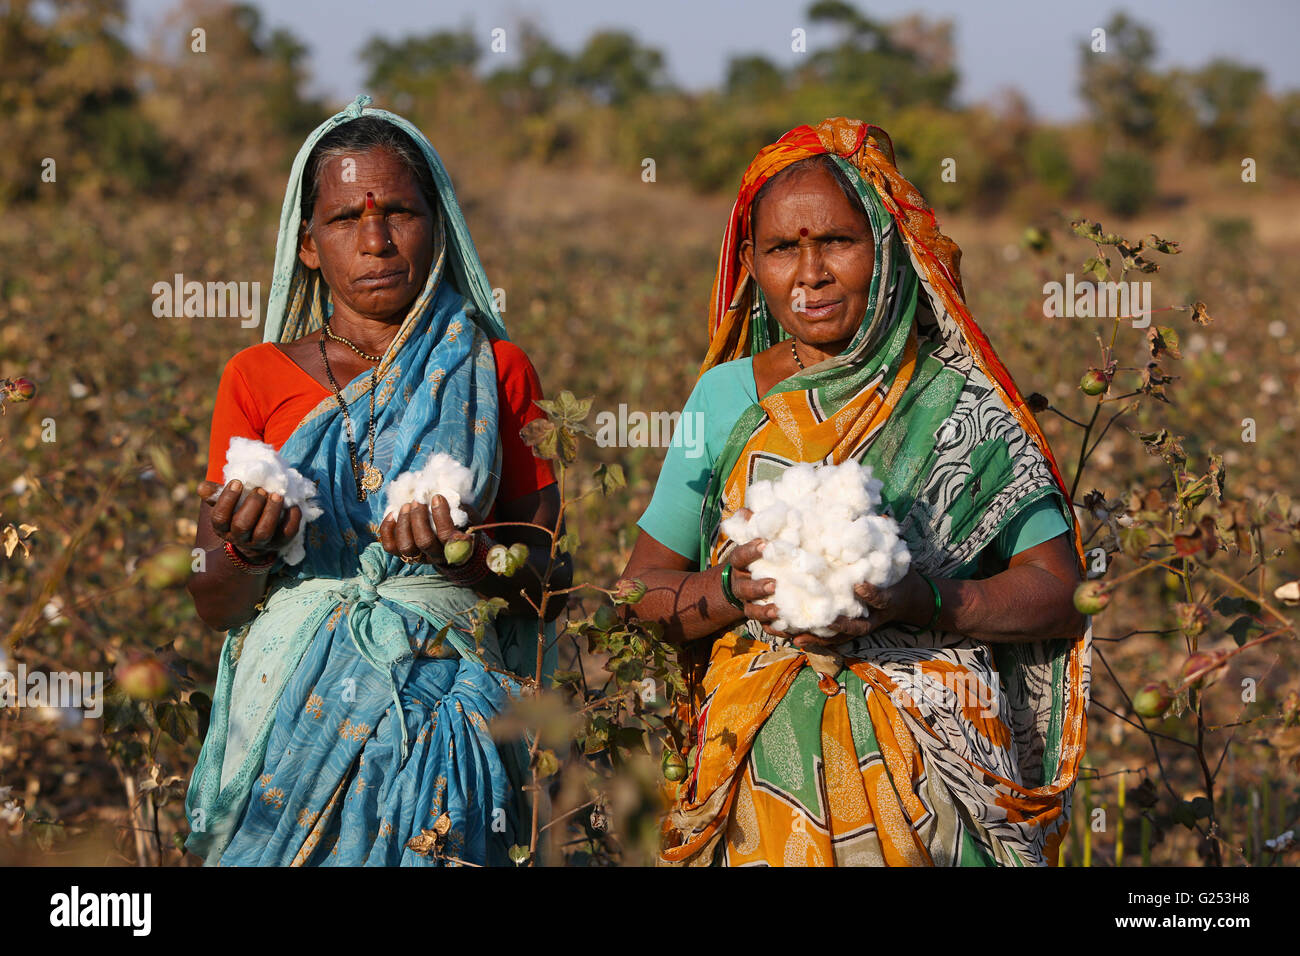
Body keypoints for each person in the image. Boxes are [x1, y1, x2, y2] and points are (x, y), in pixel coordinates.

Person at [621, 118, 1092, 866]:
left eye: (837, 241)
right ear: (752, 264)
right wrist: (736, 591)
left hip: (934, 779)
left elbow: (1061, 593)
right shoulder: (723, 401)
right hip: (759, 783)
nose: (810, 273)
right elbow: (642, 591)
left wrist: (929, 602)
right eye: (782, 248)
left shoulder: (967, 406)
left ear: (889, 245)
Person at [183, 95, 569, 866]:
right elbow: (213, 598)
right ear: (308, 247)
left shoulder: (496, 372)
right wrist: (248, 549)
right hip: (291, 708)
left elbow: (550, 583)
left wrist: (463, 555)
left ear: (440, 224)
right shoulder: (257, 377)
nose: (376, 239)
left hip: (448, 714)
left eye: (399, 211)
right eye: (344, 221)